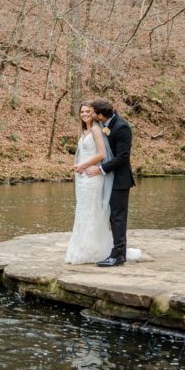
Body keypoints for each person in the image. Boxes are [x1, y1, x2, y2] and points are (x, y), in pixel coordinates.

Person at [85, 98, 139, 267]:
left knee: (118, 218)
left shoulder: (122, 127)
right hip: (107, 180)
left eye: (93, 112)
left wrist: (99, 169)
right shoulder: (104, 124)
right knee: (110, 216)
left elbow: (122, 158)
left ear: (100, 115)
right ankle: (114, 251)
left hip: (120, 180)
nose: (90, 114)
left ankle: (119, 255)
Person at [64, 102, 114, 264]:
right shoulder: (84, 131)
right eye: (82, 111)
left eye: (88, 111)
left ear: (93, 114)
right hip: (82, 176)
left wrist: (84, 165)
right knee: (82, 210)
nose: (84, 114)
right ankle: (80, 248)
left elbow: (102, 154)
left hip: (93, 176)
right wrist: (78, 167)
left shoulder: (96, 130)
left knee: (92, 210)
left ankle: (93, 250)